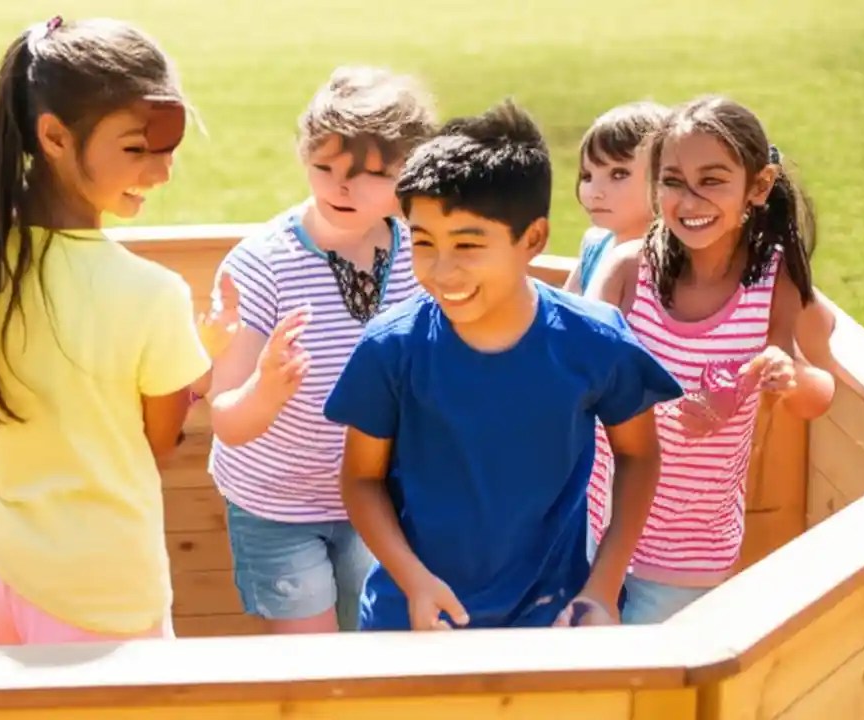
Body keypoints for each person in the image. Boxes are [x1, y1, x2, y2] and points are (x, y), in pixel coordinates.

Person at [323, 100, 683, 631]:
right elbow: (360, 479)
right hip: (412, 621)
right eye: (424, 243)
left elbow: (639, 457)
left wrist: (602, 588)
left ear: (532, 239)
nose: (442, 270)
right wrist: (414, 580)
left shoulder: (595, 339)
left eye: (468, 244)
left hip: (550, 624)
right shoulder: (390, 347)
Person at [0, 16, 238, 645]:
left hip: (3, 579)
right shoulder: (151, 295)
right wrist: (196, 367)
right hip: (103, 601)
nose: (161, 173)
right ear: (53, 136)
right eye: (136, 149)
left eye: (167, 148)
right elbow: (156, 439)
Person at [585, 95, 835, 623]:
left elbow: (819, 396)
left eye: (713, 179)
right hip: (593, 534)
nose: (689, 199)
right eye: (673, 181)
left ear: (759, 186)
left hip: (689, 558)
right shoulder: (628, 267)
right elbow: (573, 372)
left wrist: (786, 375)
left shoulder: (774, 279)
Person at [206, 66, 435, 634]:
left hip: (377, 501)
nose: (341, 188)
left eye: (371, 175)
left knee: (373, 652)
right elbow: (227, 420)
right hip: (276, 505)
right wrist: (267, 388)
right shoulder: (261, 264)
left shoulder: (423, 254)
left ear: (410, 173)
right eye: (324, 168)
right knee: (311, 666)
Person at [562, 101, 670, 296]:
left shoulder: (669, 265)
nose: (595, 192)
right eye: (587, 176)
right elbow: (567, 316)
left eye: (618, 174)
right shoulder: (595, 245)